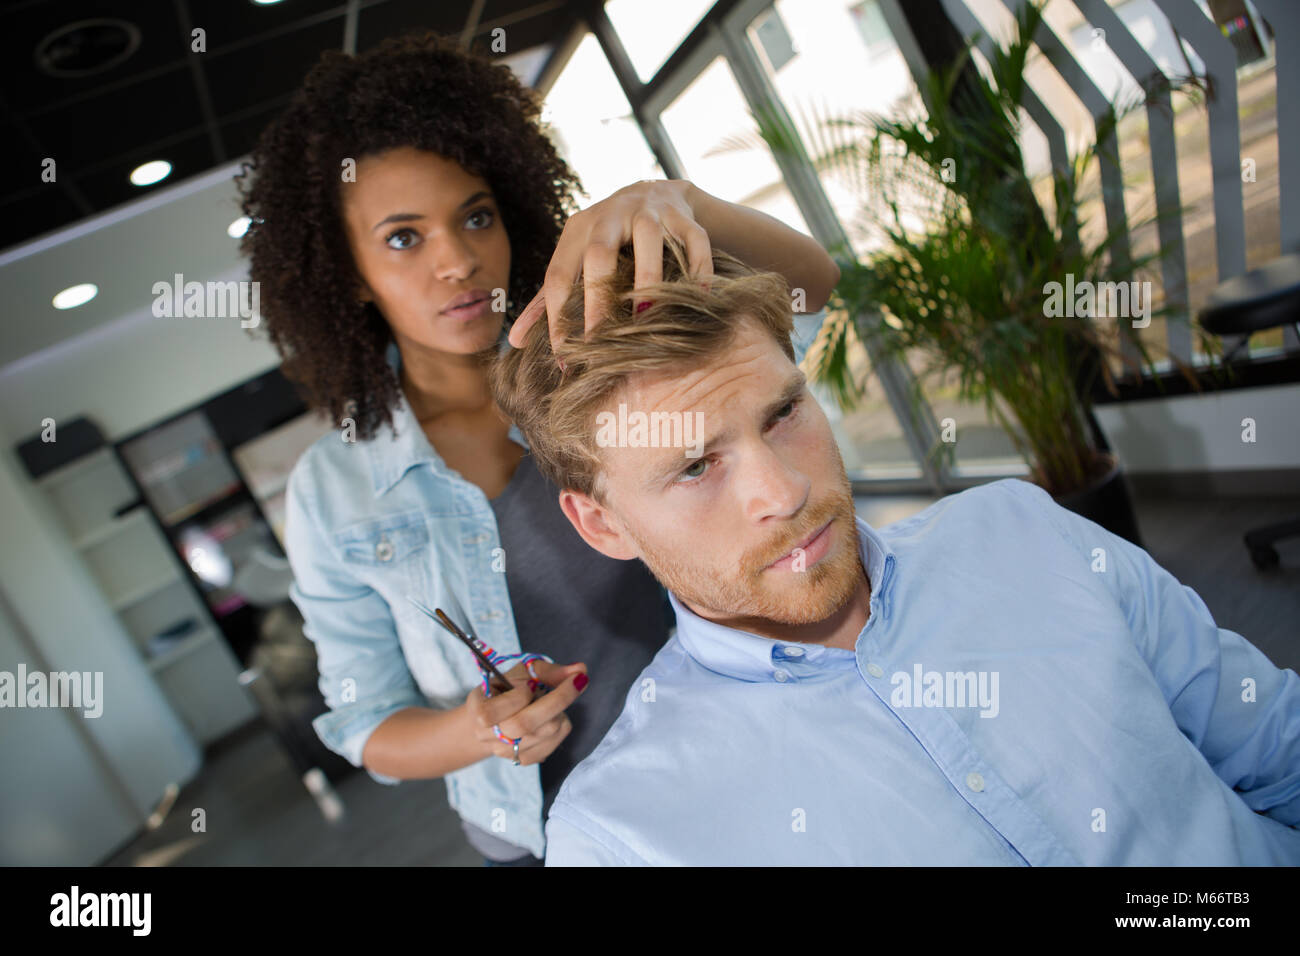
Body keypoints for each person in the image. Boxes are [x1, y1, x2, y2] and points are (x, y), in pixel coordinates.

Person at [489, 237, 1300, 866]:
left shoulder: (1027, 531)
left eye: (781, 416)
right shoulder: (624, 836)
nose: (782, 493)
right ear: (603, 527)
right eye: (696, 466)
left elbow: (1276, 751)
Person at [234, 31, 839, 865]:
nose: (458, 259)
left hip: (741, 761)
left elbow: (808, 289)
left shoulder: (603, 360)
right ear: (346, 274)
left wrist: (680, 201)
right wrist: (478, 728)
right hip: (548, 835)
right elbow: (364, 719)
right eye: (404, 238)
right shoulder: (337, 490)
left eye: (475, 216)